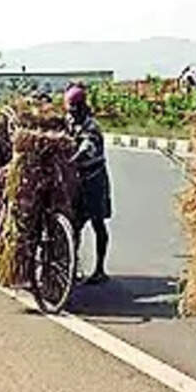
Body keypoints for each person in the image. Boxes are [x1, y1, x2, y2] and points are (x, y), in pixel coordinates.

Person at [64, 84, 112, 284]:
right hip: (78, 180)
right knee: (75, 224)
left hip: (94, 180)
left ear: (83, 107)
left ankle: (100, 269)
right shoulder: (69, 121)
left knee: (97, 223)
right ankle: (72, 265)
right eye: (70, 110)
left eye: (76, 110)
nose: (72, 114)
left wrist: (70, 161)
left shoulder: (92, 127)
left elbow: (86, 149)